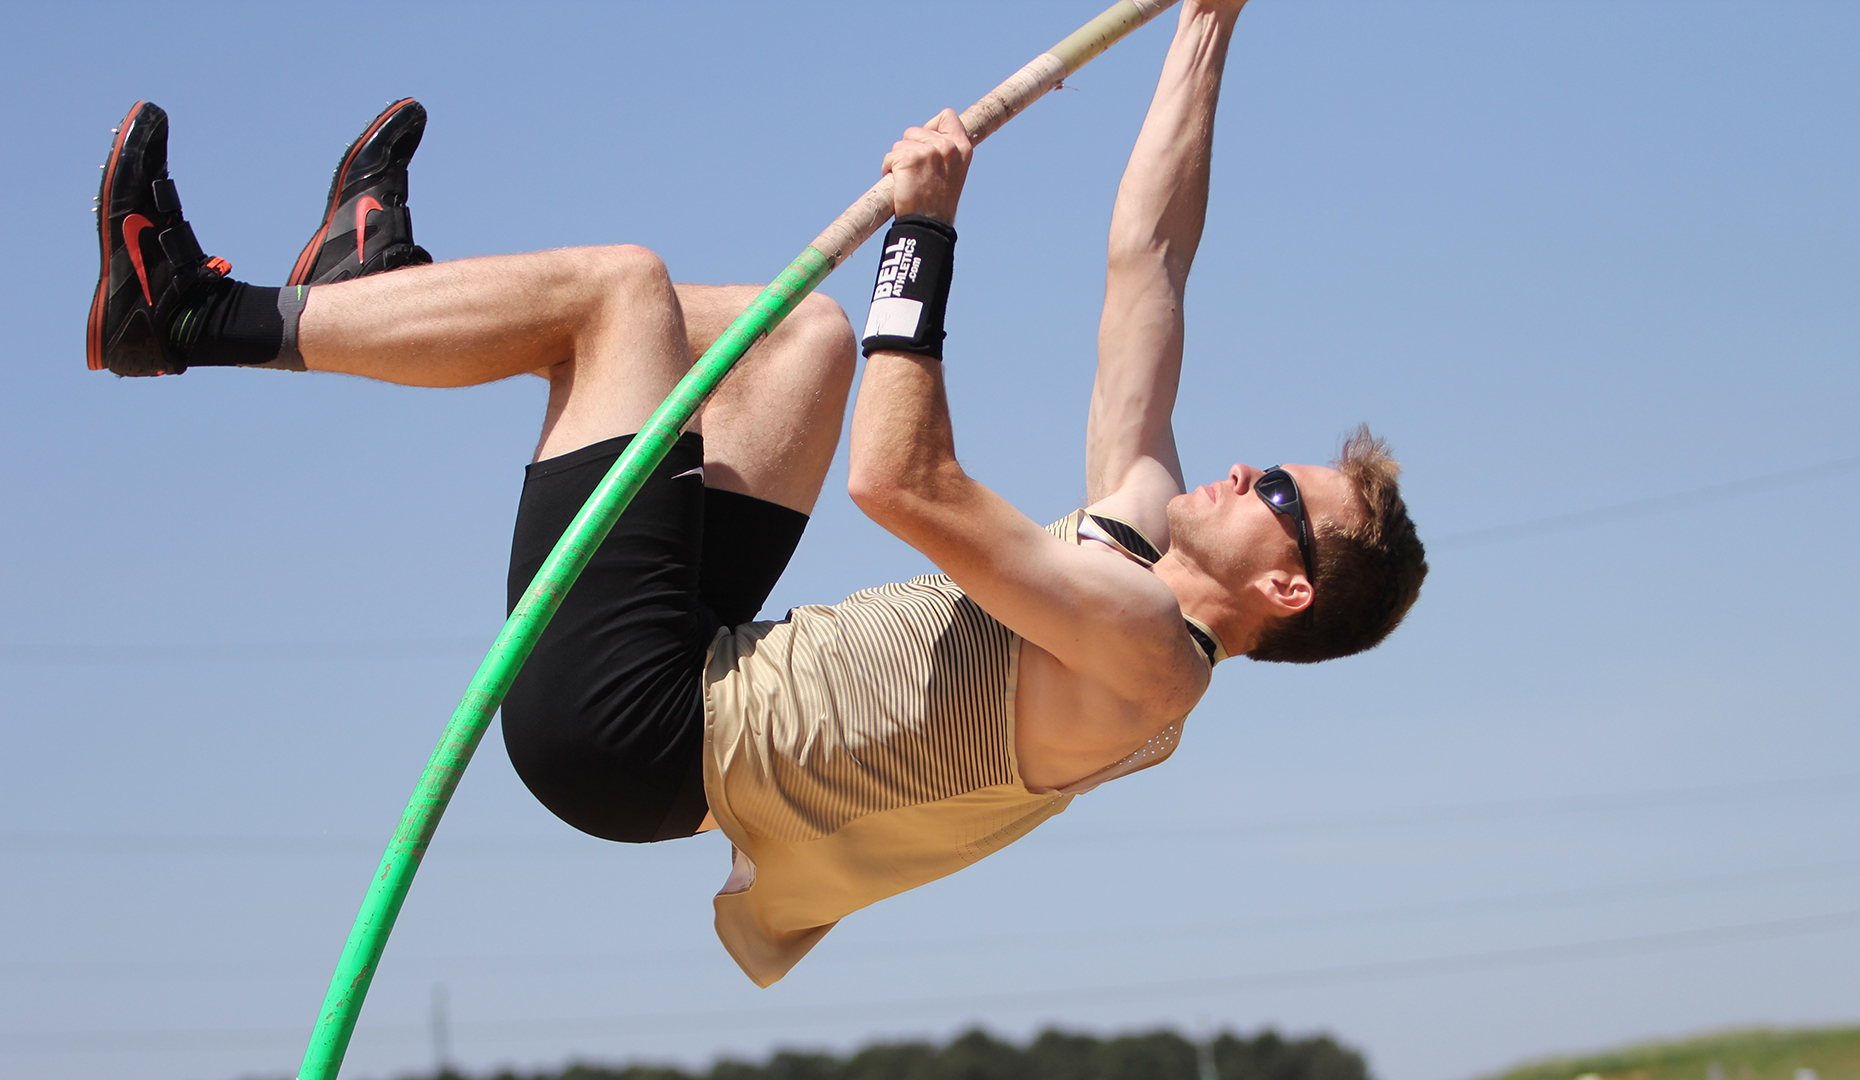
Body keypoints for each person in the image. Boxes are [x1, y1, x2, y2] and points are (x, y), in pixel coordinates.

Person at [85, 0, 1425, 986]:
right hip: (702, 663)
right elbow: (1150, 266)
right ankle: (385, 302)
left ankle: (194, 313)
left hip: (639, 734)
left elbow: (901, 484)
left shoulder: (1153, 666)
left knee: (619, 294)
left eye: (1279, 495)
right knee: (806, 341)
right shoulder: (1133, 531)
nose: (1243, 468)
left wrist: (926, 236)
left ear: (1284, 586)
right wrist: (1205, 27)